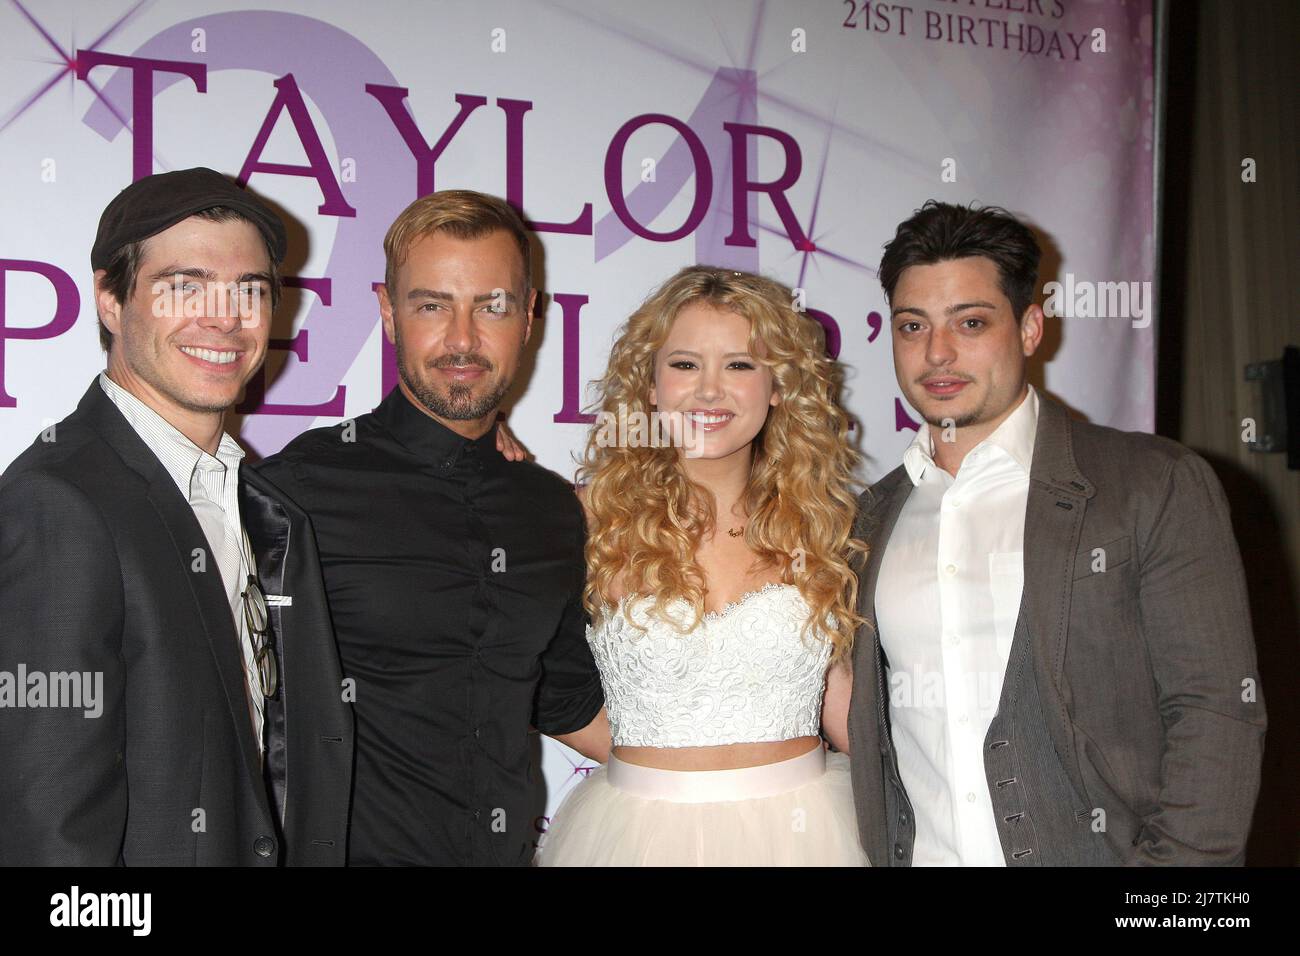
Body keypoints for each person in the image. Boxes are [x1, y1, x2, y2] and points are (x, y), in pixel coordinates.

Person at [848, 200, 1267, 866]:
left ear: (1030, 328)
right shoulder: (869, 517)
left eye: (971, 322)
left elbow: (1217, 714)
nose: (937, 352)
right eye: (912, 326)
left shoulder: (1151, 483)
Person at [0, 168, 352, 865]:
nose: (224, 319)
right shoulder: (60, 502)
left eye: (249, 290)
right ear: (109, 299)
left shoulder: (268, 510)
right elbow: (49, 831)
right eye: (184, 287)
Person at [254, 190, 608, 866]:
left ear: (529, 316)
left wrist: (738, 774)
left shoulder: (549, 510)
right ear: (388, 313)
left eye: (492, 306)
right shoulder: (296, 492)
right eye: (431, 306)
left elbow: (566, 700)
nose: (463, 340)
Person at [537, 265, 871, 866]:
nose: (710, 391)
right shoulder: (587, 521)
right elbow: (527, 676)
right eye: (686, 364)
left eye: (739, 365)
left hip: (808, 839)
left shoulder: (821, 524)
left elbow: (843, 703)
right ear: (650, 385)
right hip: (633, 840)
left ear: (777, 386)